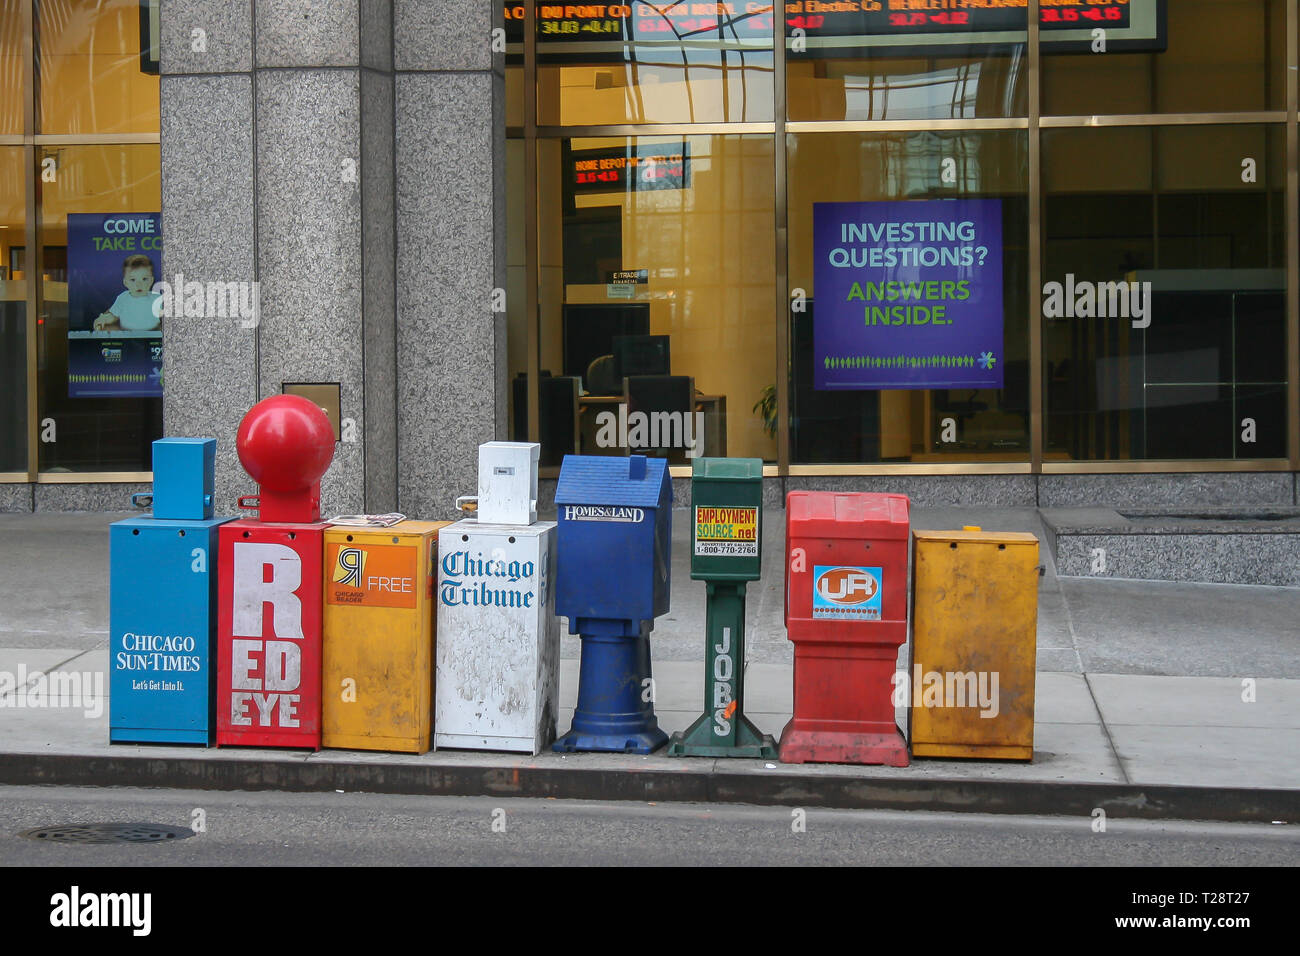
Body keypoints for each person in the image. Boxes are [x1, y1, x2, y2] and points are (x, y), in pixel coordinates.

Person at [92, 254, 162, 332]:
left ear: (151, 281)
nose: (139, 284)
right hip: (127, 336)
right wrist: (103, 319)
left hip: (152, 335)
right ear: (125, 282)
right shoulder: (123, 298)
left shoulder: (156, 298)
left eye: (144, 279)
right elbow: (113, 316)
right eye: (133, 280)